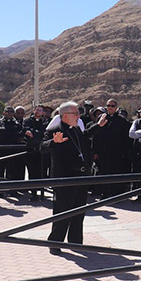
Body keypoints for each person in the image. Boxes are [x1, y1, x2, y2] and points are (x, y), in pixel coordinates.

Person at [43, 101, 92, 251]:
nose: (79, 116)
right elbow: (41, 147)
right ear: (65, 116)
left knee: (79, 212)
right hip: (64, 178)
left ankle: (75, 242)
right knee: (62, 212)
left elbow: (86, 141)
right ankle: (55, 243)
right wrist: (53, 142)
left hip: (81, 177)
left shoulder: (76, 129)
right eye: (76, 113)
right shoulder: (55, 130)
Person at [90, 98, 132, 199]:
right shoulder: (101, 118)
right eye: (108, 106)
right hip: (103, 152)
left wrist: (125, 152)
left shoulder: (121, 120)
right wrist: (95, 151)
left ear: (116, 108)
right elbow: (95, 135)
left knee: (116, 172)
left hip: (117, 152)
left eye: (112, 106)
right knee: (103, 172)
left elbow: (127, 137)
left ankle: (116, 194)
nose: (110, 108)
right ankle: (104, 193)